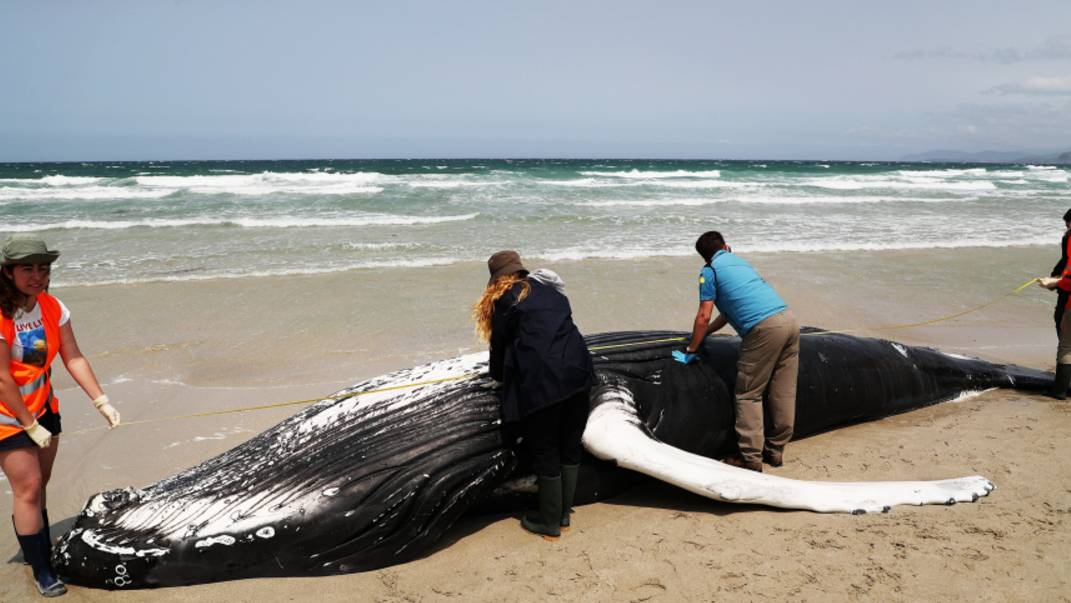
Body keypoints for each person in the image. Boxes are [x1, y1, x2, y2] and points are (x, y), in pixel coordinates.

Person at [1, 234, 120, 597]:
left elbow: (73, 356)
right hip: (7, 415)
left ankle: (32, 546)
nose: (37, 276)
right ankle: (43, 569)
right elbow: (2, 378)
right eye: (27, 269)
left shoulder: (52, 307)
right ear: (8, 272)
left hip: (44, 408)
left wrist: (101, 400)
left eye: (43, 268)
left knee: (41, 484)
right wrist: (27, 424)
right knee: (29, 486)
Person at [473, 250, 594, 540]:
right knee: (569, 444)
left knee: (545, 448)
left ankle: (549, 522)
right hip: (579, 371)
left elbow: (499, 345)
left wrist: (498, 378)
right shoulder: (552, 292)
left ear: (498, 278)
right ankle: (564, 514)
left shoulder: (505, 298)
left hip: (544, 381)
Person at [673, 231, 799, 472]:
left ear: (703, 257)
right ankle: (775, 450)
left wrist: (692, 347)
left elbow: (703, 314)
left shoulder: (709, 272)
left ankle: (750, 458)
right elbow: (729, 312)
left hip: (764, 330)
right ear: (726, 247)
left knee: (748, 394)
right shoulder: (740, 263)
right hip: (789, 321)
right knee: (783, 390)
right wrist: (707, 333)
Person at [1039, 209, 1071, 399]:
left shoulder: (1069, 239)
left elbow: (1067, 266)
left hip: (1068, 298)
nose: (1066, 227)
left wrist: (1056, 282)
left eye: (1068, 223)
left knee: (1066, 344)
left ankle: (1059, 390)